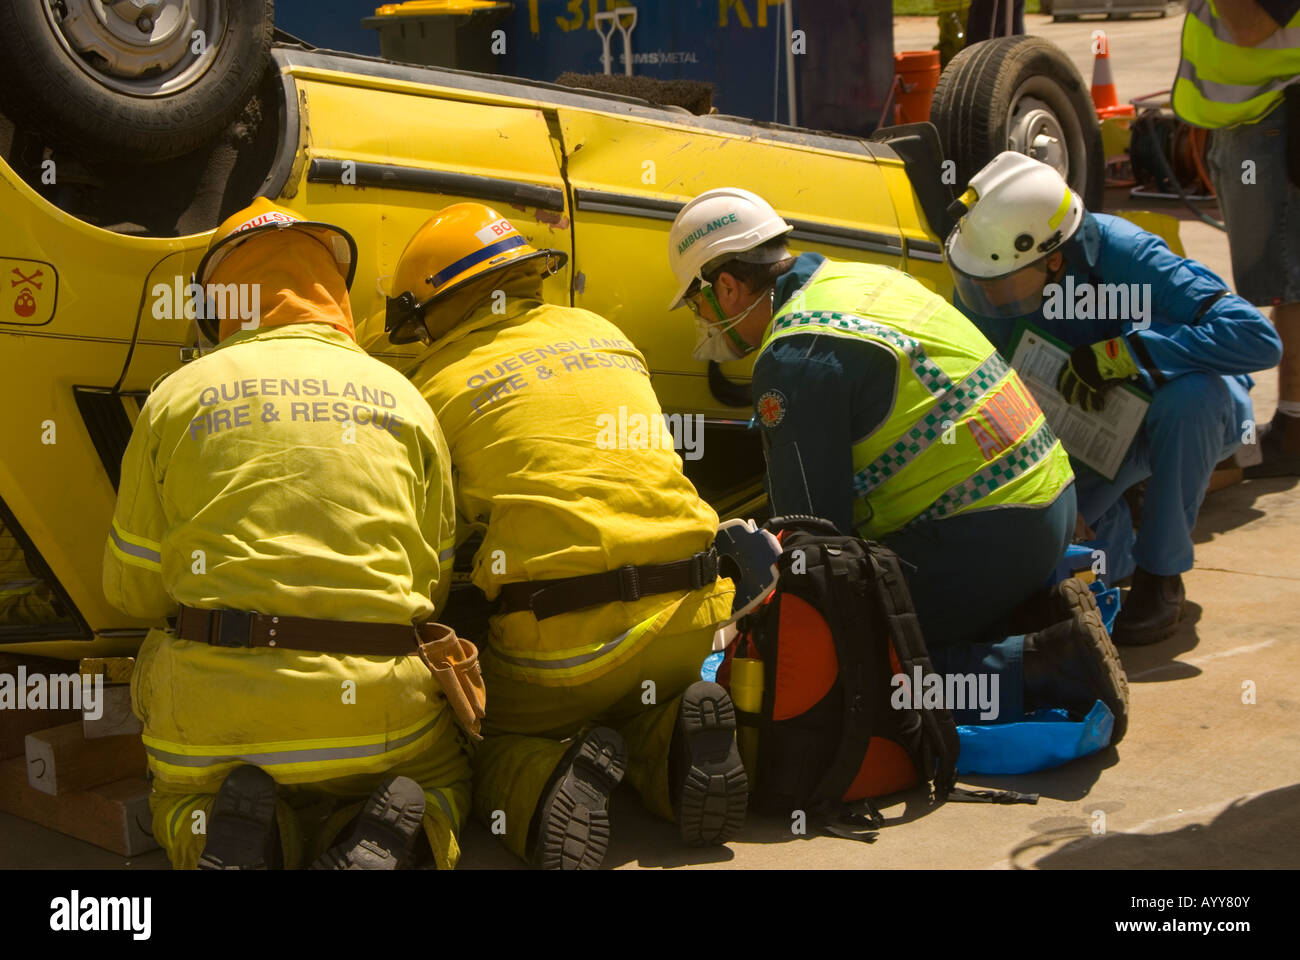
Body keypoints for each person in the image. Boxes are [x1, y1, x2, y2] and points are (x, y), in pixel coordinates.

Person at [664, 187, 1130, 741]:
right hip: (1047, 502)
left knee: (845, 652)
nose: (701, 321)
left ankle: (1045, 666)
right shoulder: (858, 280)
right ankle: (1029, 619)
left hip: (993, 532)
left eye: (698, 304)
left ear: (727, 286)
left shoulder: (793, 356)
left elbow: (814, 544)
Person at [103, 198, 473, 870]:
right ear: (334, 294)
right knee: (443, 781)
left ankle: (233, 831)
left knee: (182, 794)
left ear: (219, 304)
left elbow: (130, 588)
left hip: (218, 715)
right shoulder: (403, 396)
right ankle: (390, 832)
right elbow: (433, 581)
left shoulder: (176, 396)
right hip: (377, 702)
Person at [387, 202, 745, 870]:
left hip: (566, 641)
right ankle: (670, 742)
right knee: (640, 701)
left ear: (437, 305)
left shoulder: (433, 386)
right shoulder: (603, 333)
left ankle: (545, 783)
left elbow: (432, 551)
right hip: (696, 613)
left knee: (482, 736)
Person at [946, 152, 1283, 645]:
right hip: (1078, 435)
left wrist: (1124, 355)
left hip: (1174, 409)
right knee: (1038, 559)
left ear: (1054, 258)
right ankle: (1123, 521)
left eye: (1001, 285)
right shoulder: (988, 268)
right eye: (980, 284)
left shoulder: (1123, 251)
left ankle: (1161, 573)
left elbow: (1256, 338)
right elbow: (981, 398)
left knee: (1192, 399)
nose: (989, 298)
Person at [1174, 0, 1300, 477]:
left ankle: (1294, 428)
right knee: (1284, 274)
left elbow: (1251, 25)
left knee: (1285, 279)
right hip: (1264, 114)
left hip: (1272, 115)